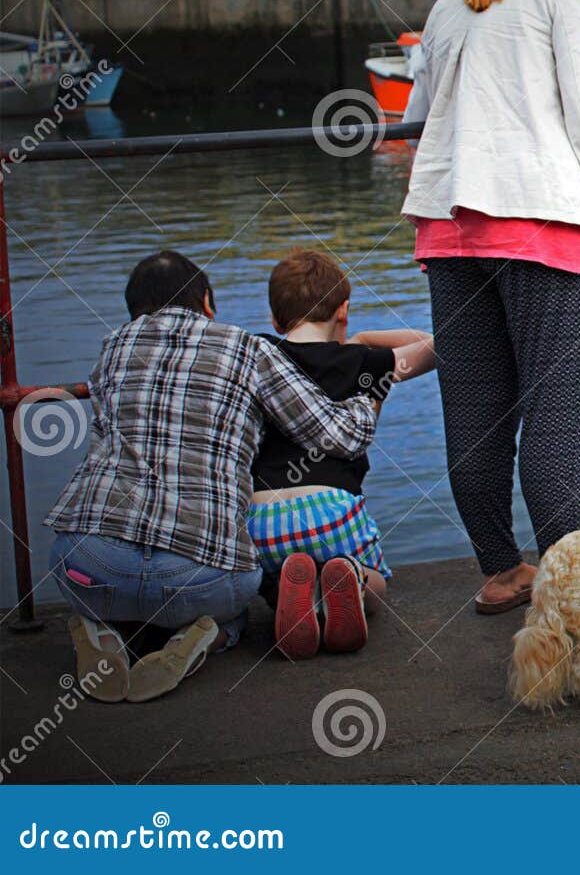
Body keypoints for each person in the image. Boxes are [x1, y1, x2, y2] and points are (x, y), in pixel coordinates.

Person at [402, 0, 580, 615]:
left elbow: (416, 116)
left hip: (448, 230)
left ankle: (503, 569)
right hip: (545, 226)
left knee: (474, 415)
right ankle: (578, 594)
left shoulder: (451, 5)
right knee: (557, 417)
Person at [45, 251, 378, 703]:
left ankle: (107, 628)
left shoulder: (112, 349)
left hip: (87, 565)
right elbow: (339, 436)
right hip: (199, 579)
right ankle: (211, 634)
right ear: (207, 302)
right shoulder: (246, 348)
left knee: (105, 575)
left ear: (135, 312)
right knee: (239, 590)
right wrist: (369, 391)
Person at [248, 248, 437, 659]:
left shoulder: (260, 356)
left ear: (275, 320)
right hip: (334, 508)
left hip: (262, 513)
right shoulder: (364, 362)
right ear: (343, 310)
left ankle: (287, 589)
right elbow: (436, 347)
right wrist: (366, 341)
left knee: (272, 577)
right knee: (378, 586)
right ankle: (350, 577)